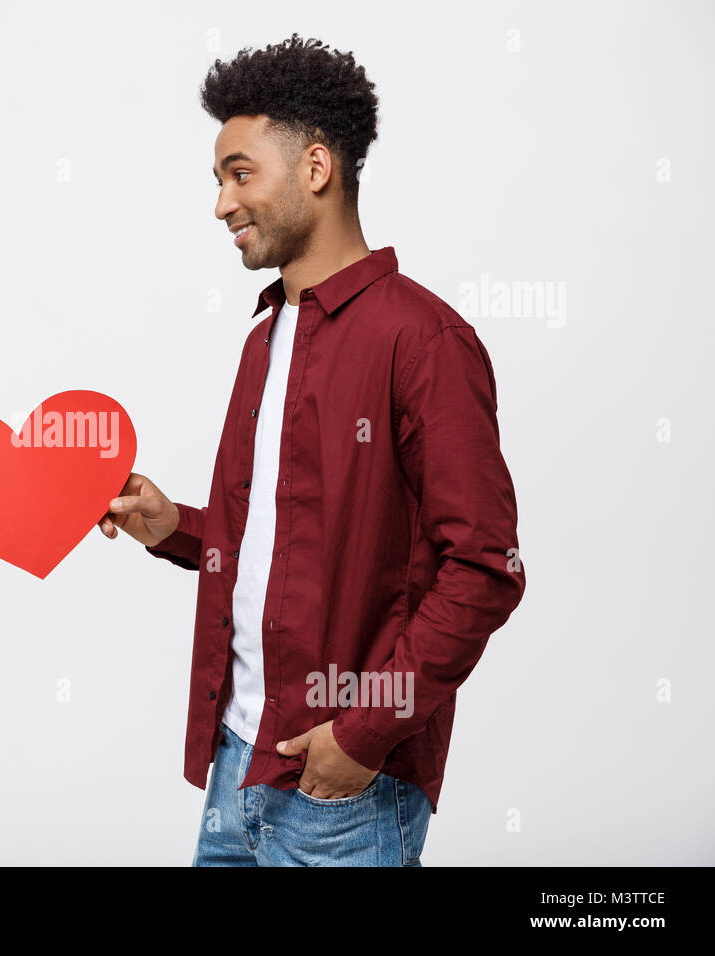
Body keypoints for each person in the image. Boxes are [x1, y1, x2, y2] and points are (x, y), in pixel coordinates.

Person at [98, 35, 526, 866]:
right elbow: (281, 540)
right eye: (219, 180)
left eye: (240, 172)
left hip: (344, 793)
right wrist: (173, 528)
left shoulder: (424, 340)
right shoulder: (266, 338)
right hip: (237, 765)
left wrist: (363, 736)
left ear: (318, 168)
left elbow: (484, 568)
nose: (221, 203)